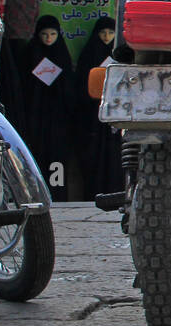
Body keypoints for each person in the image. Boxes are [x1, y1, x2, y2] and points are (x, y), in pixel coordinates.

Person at [18, 14, 76, 201]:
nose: (49, 39)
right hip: (36, 118)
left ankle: (57, 194)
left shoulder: (62, 56)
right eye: (44, 34)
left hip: (58, 121)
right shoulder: (30, 54)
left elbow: (69, 87)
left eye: (52, 34)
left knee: (57, 160)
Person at [75, 16, 123, 197]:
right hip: (93, 120)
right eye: (103, 33)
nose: (106, 37)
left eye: (111, 33)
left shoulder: (119, 56)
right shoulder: (89, 55)